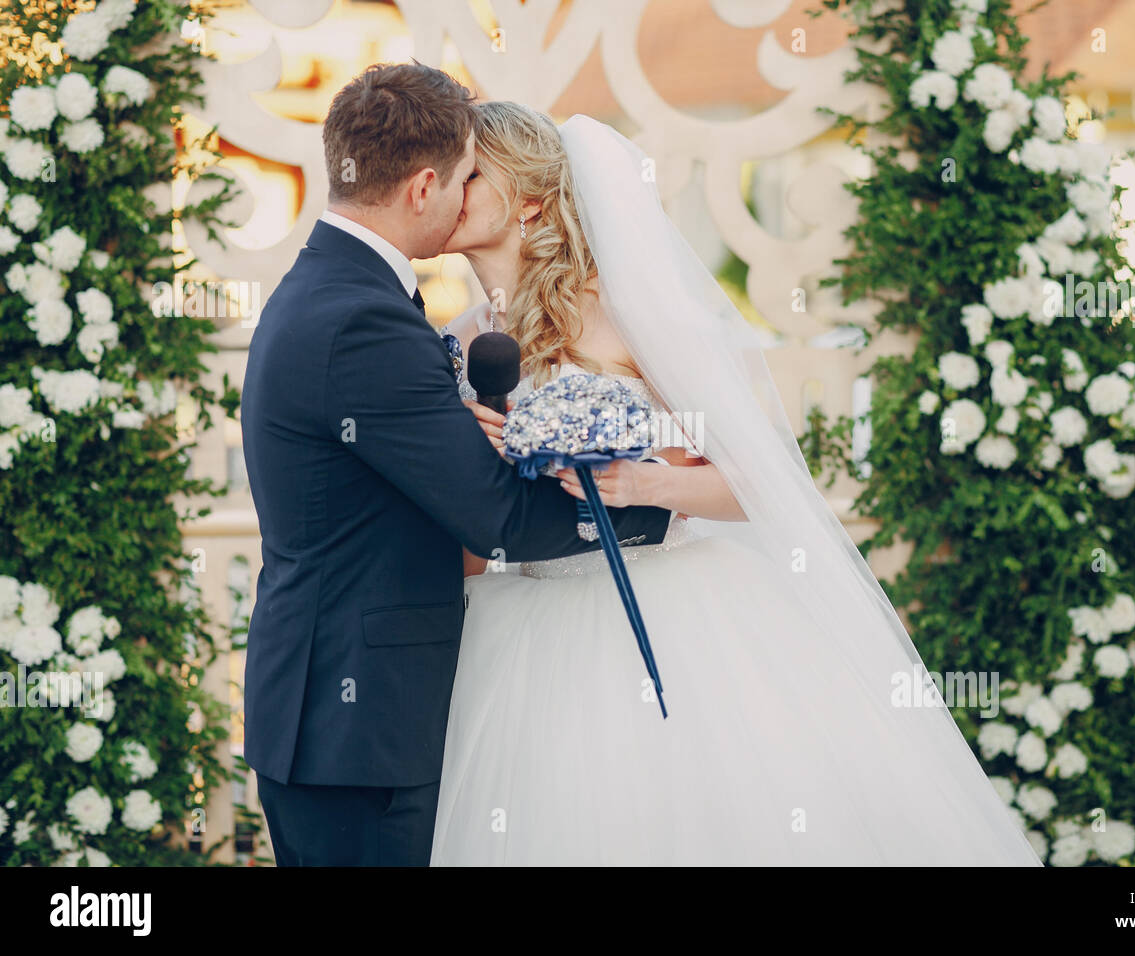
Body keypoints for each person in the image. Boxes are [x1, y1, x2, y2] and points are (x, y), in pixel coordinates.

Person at [429, 102, 1041, 865]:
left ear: (527, 198)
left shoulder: (618, 311)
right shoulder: (457, 343)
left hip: (665, 606)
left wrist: (641, 484)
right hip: (520, 628)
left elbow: (756, 481)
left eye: (470, 174)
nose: (446, 188)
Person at [240, 65, 673, 866]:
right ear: (423, 188)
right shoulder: (364, 318)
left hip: (348, 715)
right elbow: (498, 520)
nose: (467, 192)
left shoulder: (335, 290)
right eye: (464, 175)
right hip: (359, 732)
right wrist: (654, 510)